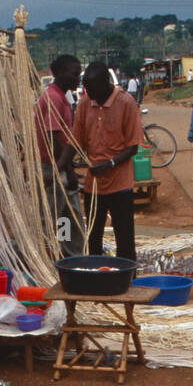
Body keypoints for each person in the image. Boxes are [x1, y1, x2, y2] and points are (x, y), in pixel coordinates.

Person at [72, 61, 142, 262]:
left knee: (125, 239)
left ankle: (128, 281)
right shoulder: (85, 102)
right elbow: (75, 139)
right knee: (93, 237)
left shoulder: (126, 102)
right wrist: (60, 165)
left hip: (120, 186)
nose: (89, 93)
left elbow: (133, 147)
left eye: (92, 88)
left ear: (105, 83)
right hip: (93, 187)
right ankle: (97, 279)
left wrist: (110, 164)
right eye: (86, 88)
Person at [35, 54, 85, 247]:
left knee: (64, 215)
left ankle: (64, 253)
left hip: (57, 166)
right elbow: (52, 138)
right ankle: (60, 257)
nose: (78, 78)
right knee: (59, 216)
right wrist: (67, 171)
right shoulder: (54, 98)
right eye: (75, 74)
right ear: (61, 73)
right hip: (54, 167)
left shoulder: (59, 97)